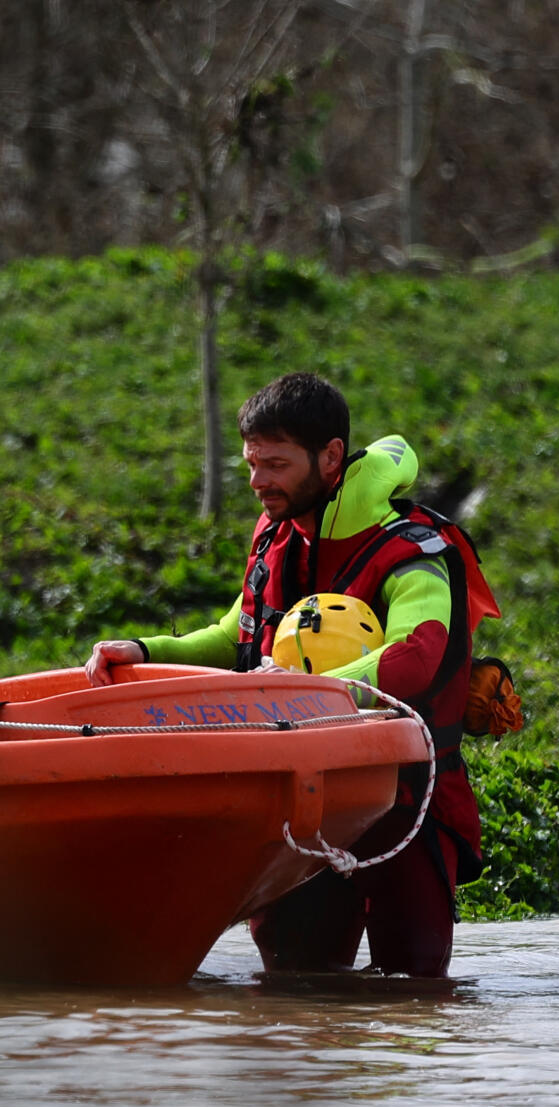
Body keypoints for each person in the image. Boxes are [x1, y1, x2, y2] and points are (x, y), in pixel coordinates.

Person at [83, 372, 498, 977]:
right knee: (292, 986)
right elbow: (234, 638)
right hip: (293, 805)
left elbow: (419, 655)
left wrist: (300, 694)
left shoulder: (413, 550)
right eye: (251, 465)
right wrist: (143, 650)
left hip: (404, 799)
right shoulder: (276, 533)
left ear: (331, 457)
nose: (258, 483)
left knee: (413, 995)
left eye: (275, 464)